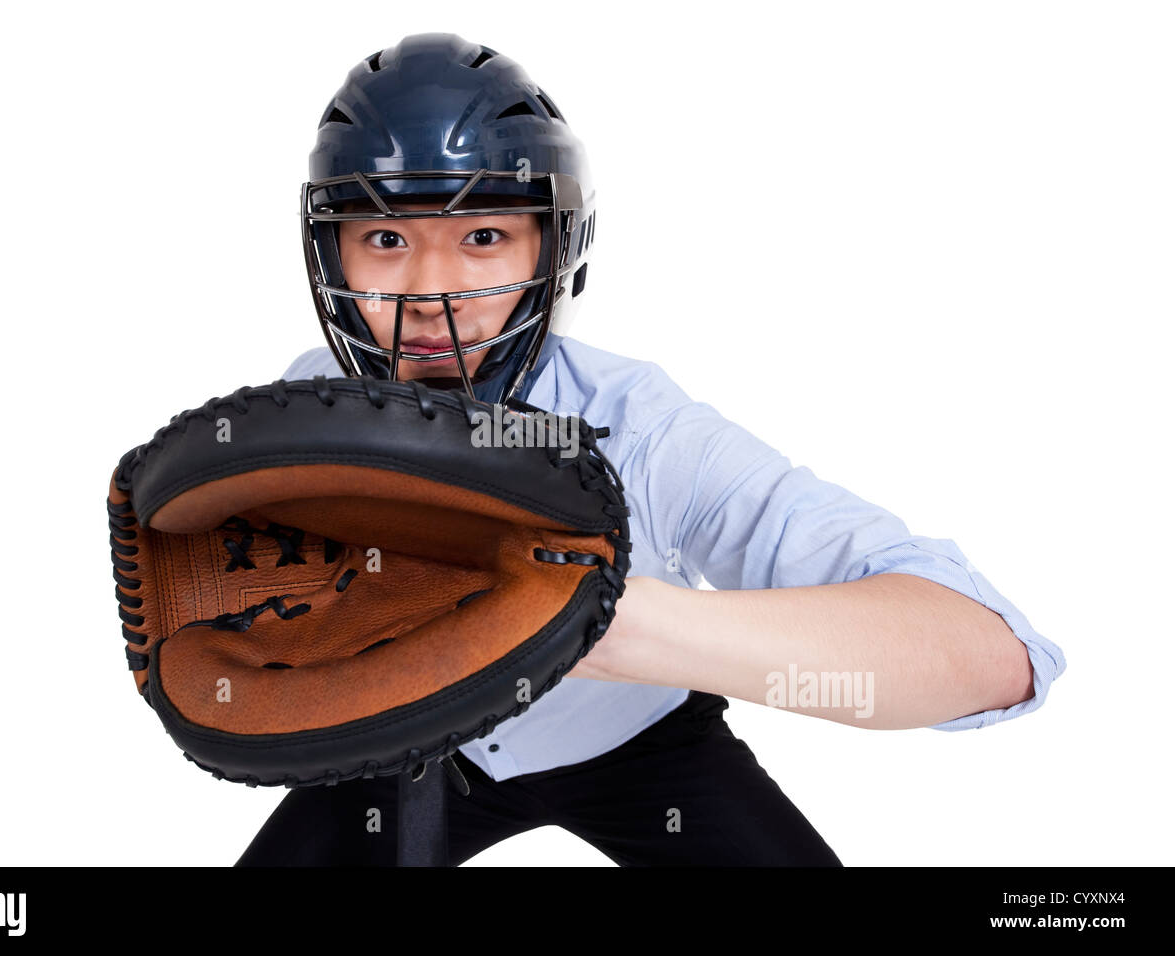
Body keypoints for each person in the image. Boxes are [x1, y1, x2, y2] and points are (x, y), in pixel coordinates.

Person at [235, 32, 1066, 866]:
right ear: (327, 249)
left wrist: (596, 623)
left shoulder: (643, 430)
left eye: (483, 237)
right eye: (385, 239)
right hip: (403, 738)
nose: (429, 295)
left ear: (555, 251)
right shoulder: (308, 405)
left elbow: (996, 659)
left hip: (637, 745)